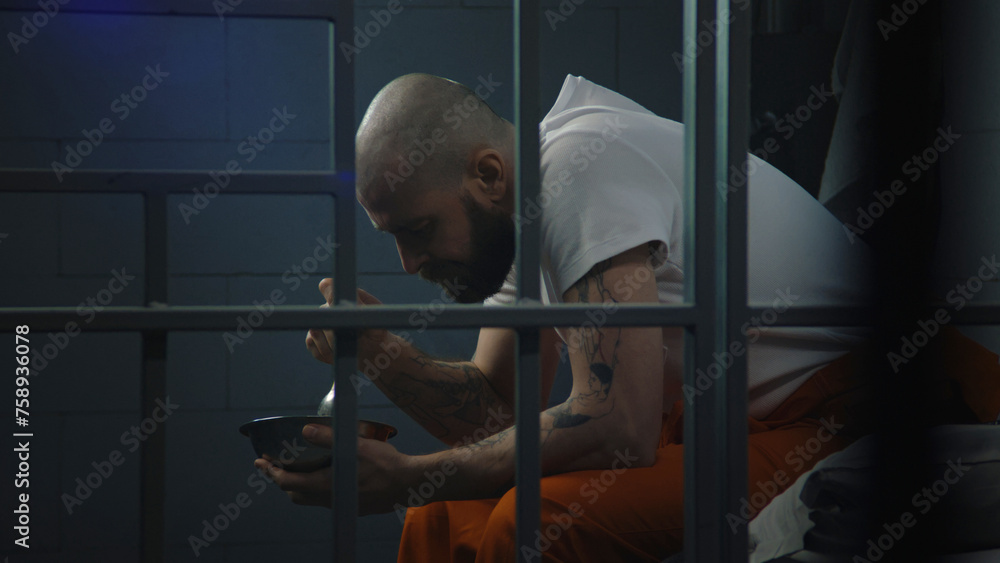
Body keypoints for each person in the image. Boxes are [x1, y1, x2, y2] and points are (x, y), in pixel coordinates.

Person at [254, 73, 877, 562]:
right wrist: (380, 354)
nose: (410, 262)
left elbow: (619, 425)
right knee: (438, 518)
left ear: (488, 174)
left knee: (534, 524)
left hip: (849, 416)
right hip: (741, 428)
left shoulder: (579, 167)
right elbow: (497, 414)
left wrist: (411, 475)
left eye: (419, 229)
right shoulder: (518, 221)